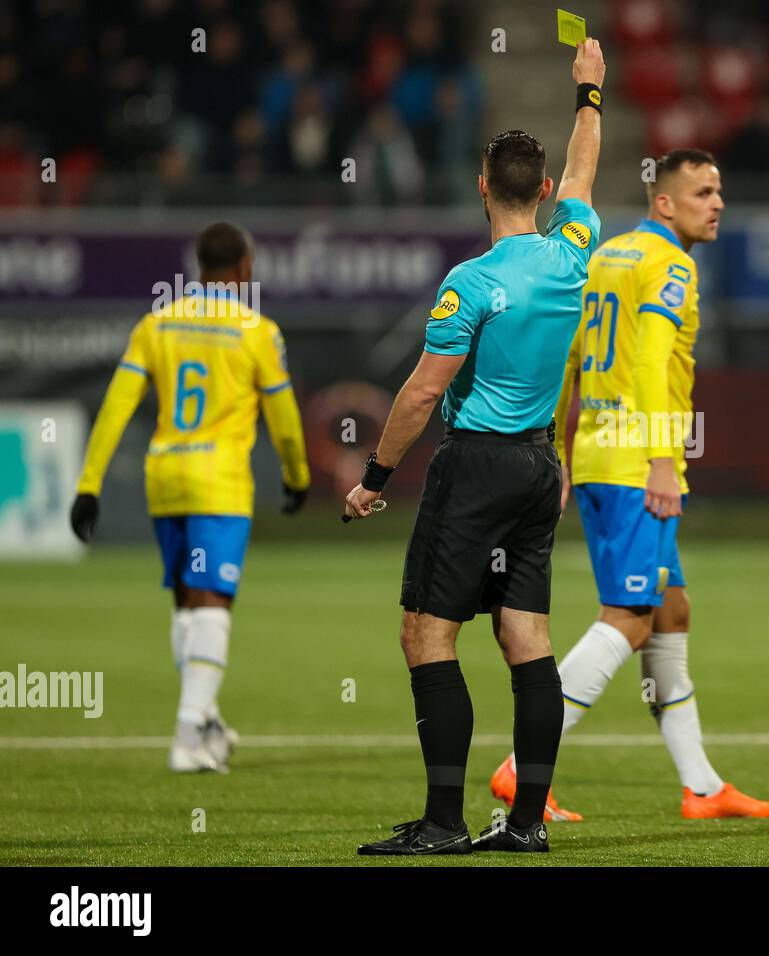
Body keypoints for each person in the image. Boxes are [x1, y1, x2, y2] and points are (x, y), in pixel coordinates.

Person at [347, 38, 605, 856]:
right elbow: (589, 173)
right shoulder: (572, 253)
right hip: (540, 464)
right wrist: (589, 92)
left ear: (483, 187)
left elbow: (422, 391)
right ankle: (526, 823)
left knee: (426, 634)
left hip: (480, 463)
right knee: (526, 637)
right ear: (551, 194)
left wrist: (375, 477)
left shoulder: (474, 282)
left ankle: (444, 823)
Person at [489, 149, 769, 821]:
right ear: (664, 203)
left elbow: (569, 352)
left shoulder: (605, 257)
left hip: (597, 453)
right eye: (703, 191)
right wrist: (658, 461)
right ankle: (517, 764)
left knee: (669, 613)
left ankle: (702, 787)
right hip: (635, 465)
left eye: (719, 190)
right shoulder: (671, 264)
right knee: (628, 616)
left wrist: (559, 449)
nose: (718, 203)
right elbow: (649, 358)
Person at [70, 222, 310, 773]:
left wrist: (89, 483)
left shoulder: (157, 324)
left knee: (185, 603)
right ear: (245, 268)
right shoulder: (257, 331)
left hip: (164, 475)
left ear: (199, 266)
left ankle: (204, 723)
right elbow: (286, 419)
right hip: (218, 481)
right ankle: (185, 737)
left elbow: (116, 405)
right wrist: (297, 475)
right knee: (212, 603)